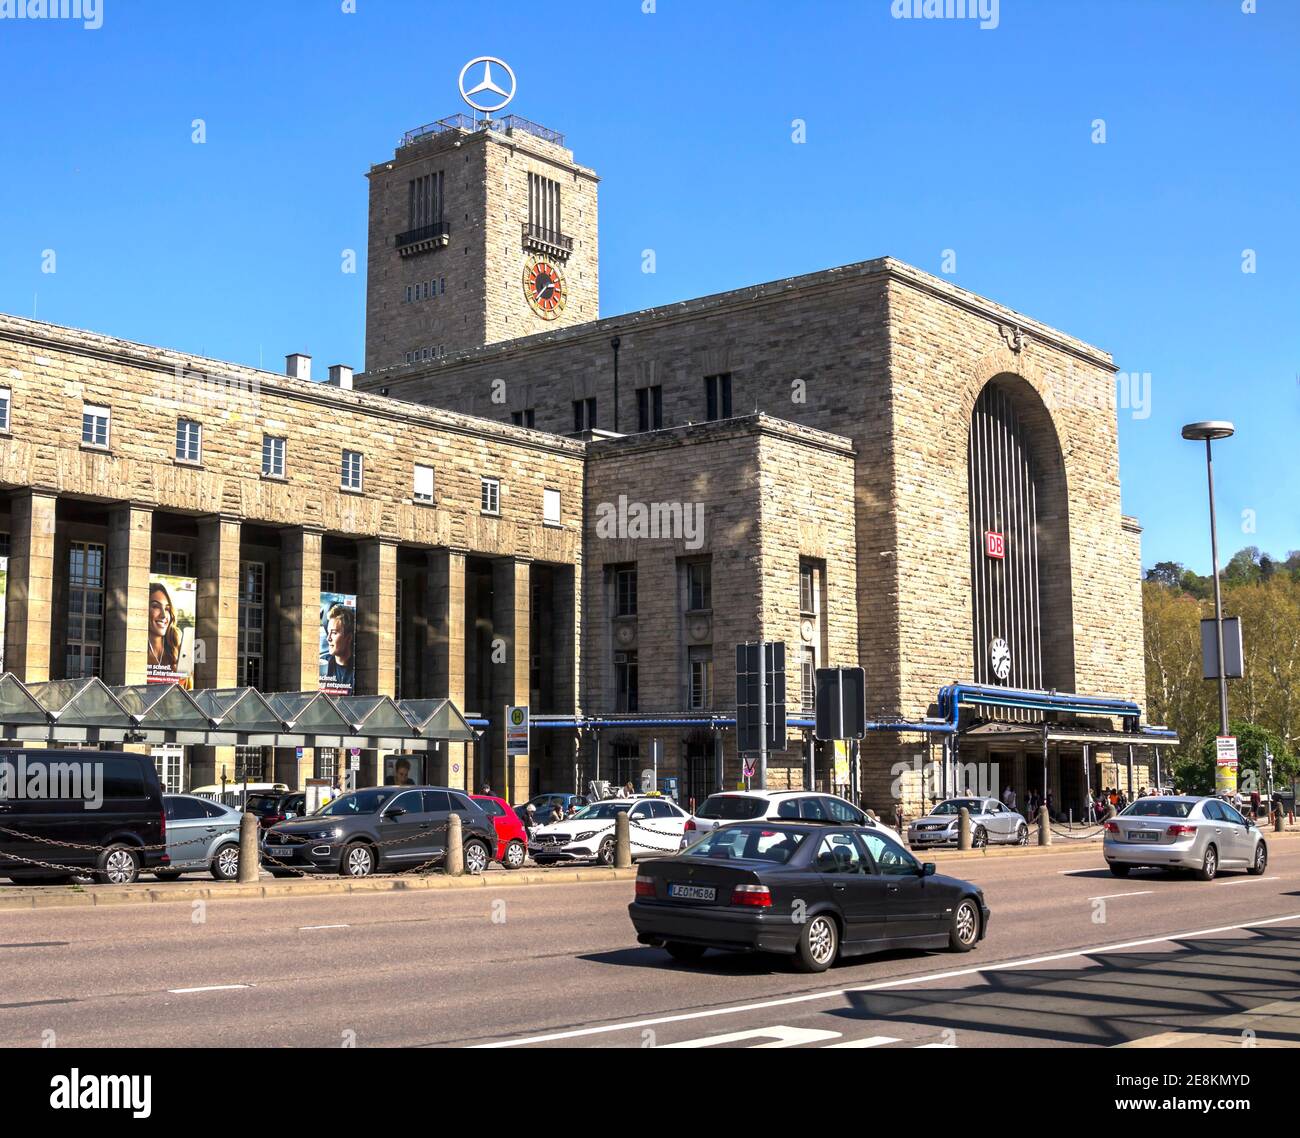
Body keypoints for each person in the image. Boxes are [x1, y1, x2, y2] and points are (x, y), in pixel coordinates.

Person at [319, 601, 356, 691]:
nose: (328, 638)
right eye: (328, 632)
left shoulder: (358, 670)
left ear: (349, 638)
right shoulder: (322, 663)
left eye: (334, 633)